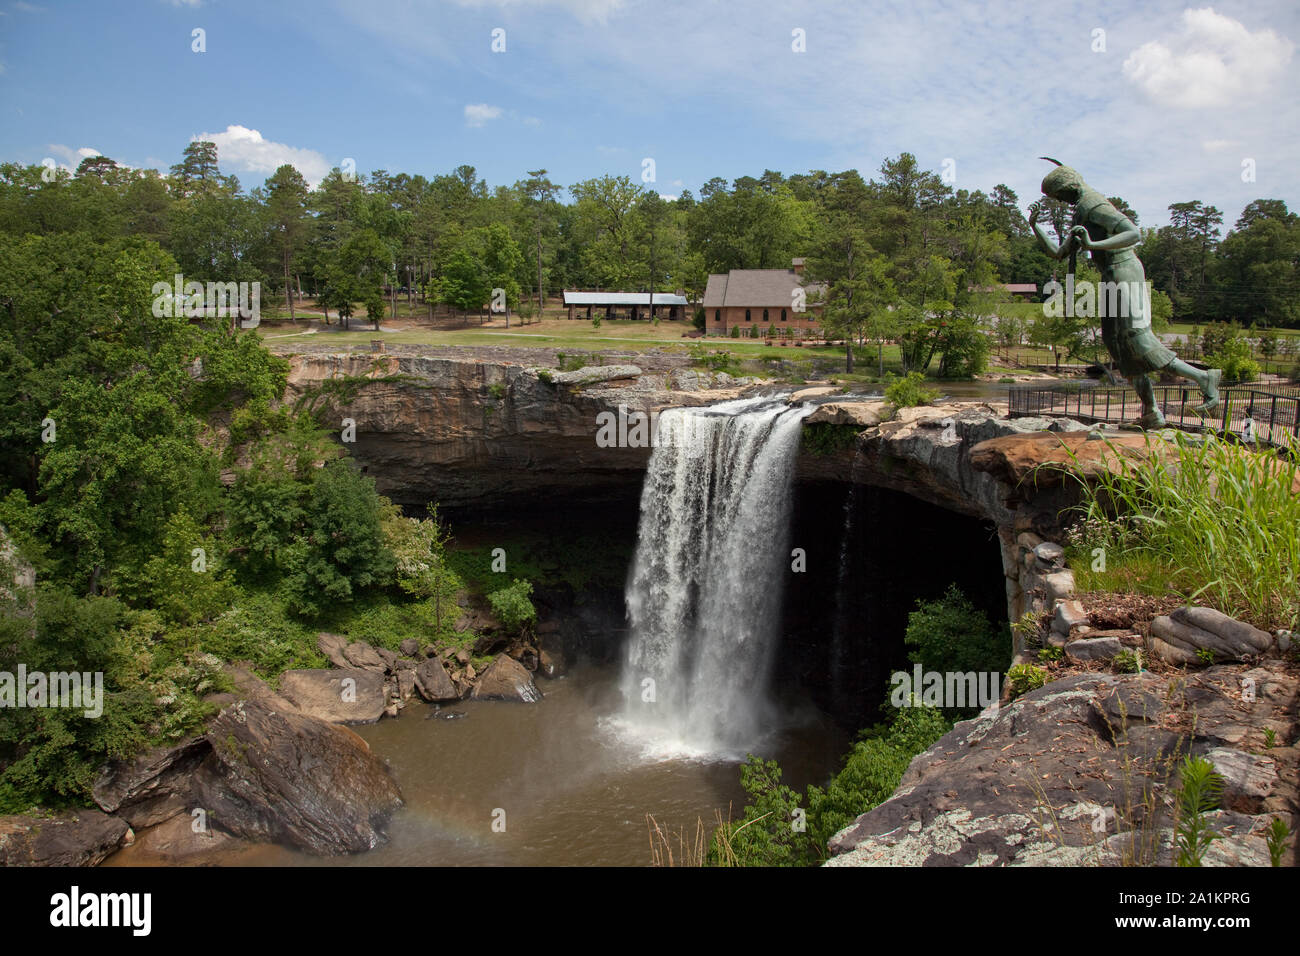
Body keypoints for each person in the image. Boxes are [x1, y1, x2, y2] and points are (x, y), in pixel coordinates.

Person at [1029, 160, 1221, 428]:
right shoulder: (1080, 212)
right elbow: (1059, 253)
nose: (1060, 202)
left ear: (1068, 185)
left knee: (1137, 340)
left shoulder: (1093, 204)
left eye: (1060, 196)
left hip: (1124, 272)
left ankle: (1203, 377)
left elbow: (1133, 233)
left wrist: (1094, 244)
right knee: (1117, 345)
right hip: (1111, 277)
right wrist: (1034, 226)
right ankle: (1151, 412)